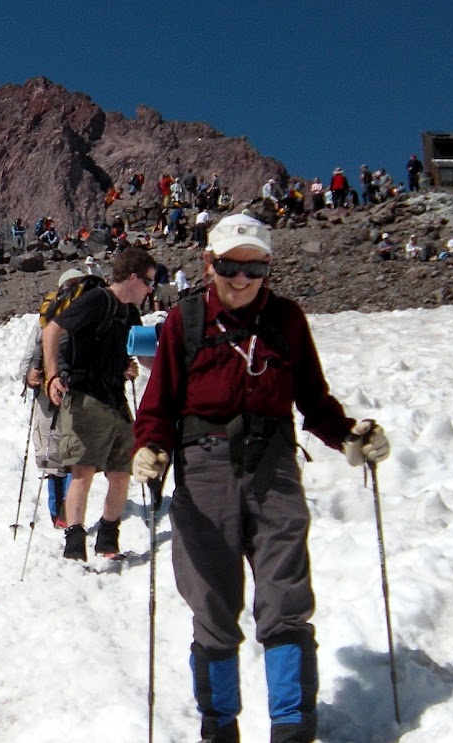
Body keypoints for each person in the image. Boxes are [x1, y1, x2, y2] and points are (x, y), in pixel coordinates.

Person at [132, 213, 390, 743]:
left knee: (285, 596)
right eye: (230, 266)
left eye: (255, 268)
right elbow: (159, 403)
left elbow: (313, 398)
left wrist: (348, 436)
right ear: (209, 263)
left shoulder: (286, 319)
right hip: (204, 470)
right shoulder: (185, 321)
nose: (242, 279)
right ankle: (220, 726)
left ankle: (292, 726)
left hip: (273, 467)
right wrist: (151, 447)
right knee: (211, 600)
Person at [42, 245, 160, 561]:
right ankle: (75, 543)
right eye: (148, 281)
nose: (151, 289)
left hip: (114, 398)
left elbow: (146, 356)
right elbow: (52, 330)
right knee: (83, 470)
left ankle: (108, 539)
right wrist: (52, 376)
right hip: (85, 396)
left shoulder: (130, 313)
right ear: (133, 277)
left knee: (121, 471)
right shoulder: (97, 300)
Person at [21, 268, 88, 527]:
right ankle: (64, 513)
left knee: (63, 454)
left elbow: (27, 359)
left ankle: (62, 513)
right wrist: (30, 375)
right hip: (67, 395)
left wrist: (30, 375)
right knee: (61, 455)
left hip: (62, 396)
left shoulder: (47, 320)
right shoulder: (50, 321)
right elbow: (27, 362)